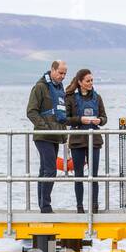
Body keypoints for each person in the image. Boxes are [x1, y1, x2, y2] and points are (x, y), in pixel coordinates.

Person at [25, 60, 68, 213]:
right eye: (60, 73)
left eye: (65, 74)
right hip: (43, 136)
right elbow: (31, 111)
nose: (62, 76)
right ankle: (46, 205)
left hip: (56, 135)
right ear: (52, 70)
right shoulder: (40, 87)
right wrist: (45, 127)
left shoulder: (60, 88)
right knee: (50, 170)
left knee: (44, 170)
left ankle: (43, 205)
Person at [64, 68, 106, 213]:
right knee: (79, 175)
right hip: (77, 141)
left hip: (94, 140)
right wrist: (80, 120)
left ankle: (94, 205)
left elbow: (104, 118)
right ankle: (80, 206)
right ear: (80, 82)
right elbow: (66, 119)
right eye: (88, 81)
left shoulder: (97, 97)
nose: (90, 83)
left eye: (92, 80)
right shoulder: (70, 98)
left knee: (94, 175)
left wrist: (100, 120)